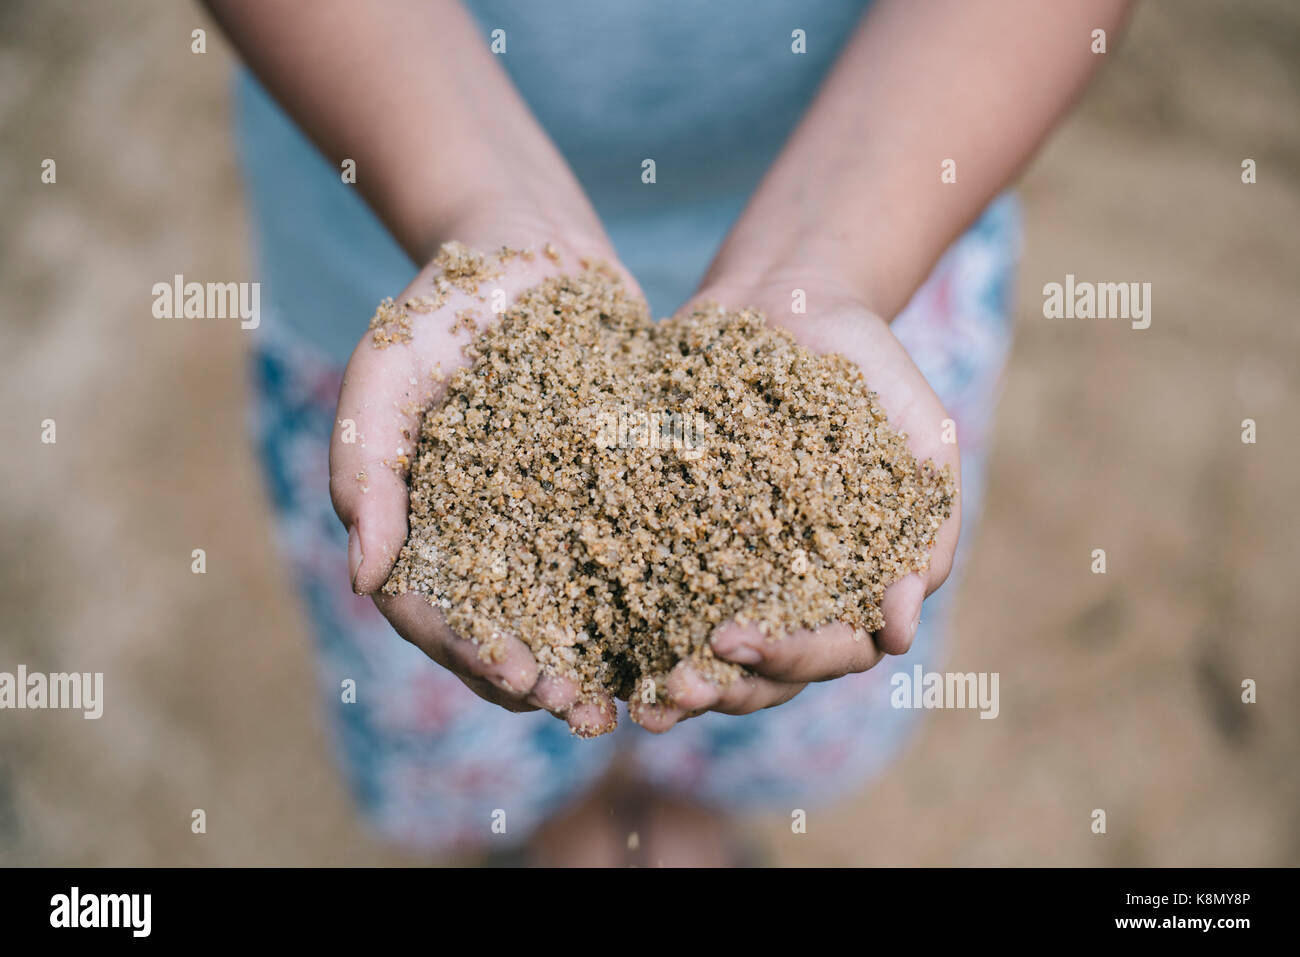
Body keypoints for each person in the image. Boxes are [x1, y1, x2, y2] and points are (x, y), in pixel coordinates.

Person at [205, 0, 1132, 865]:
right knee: (464, 687)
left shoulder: (834, 367)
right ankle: (550, 821)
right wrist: (476, 206)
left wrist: (827, 260)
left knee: (760, 667)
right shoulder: (441, 371)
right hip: (402, 244)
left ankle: (687, 804)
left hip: (886, 224)